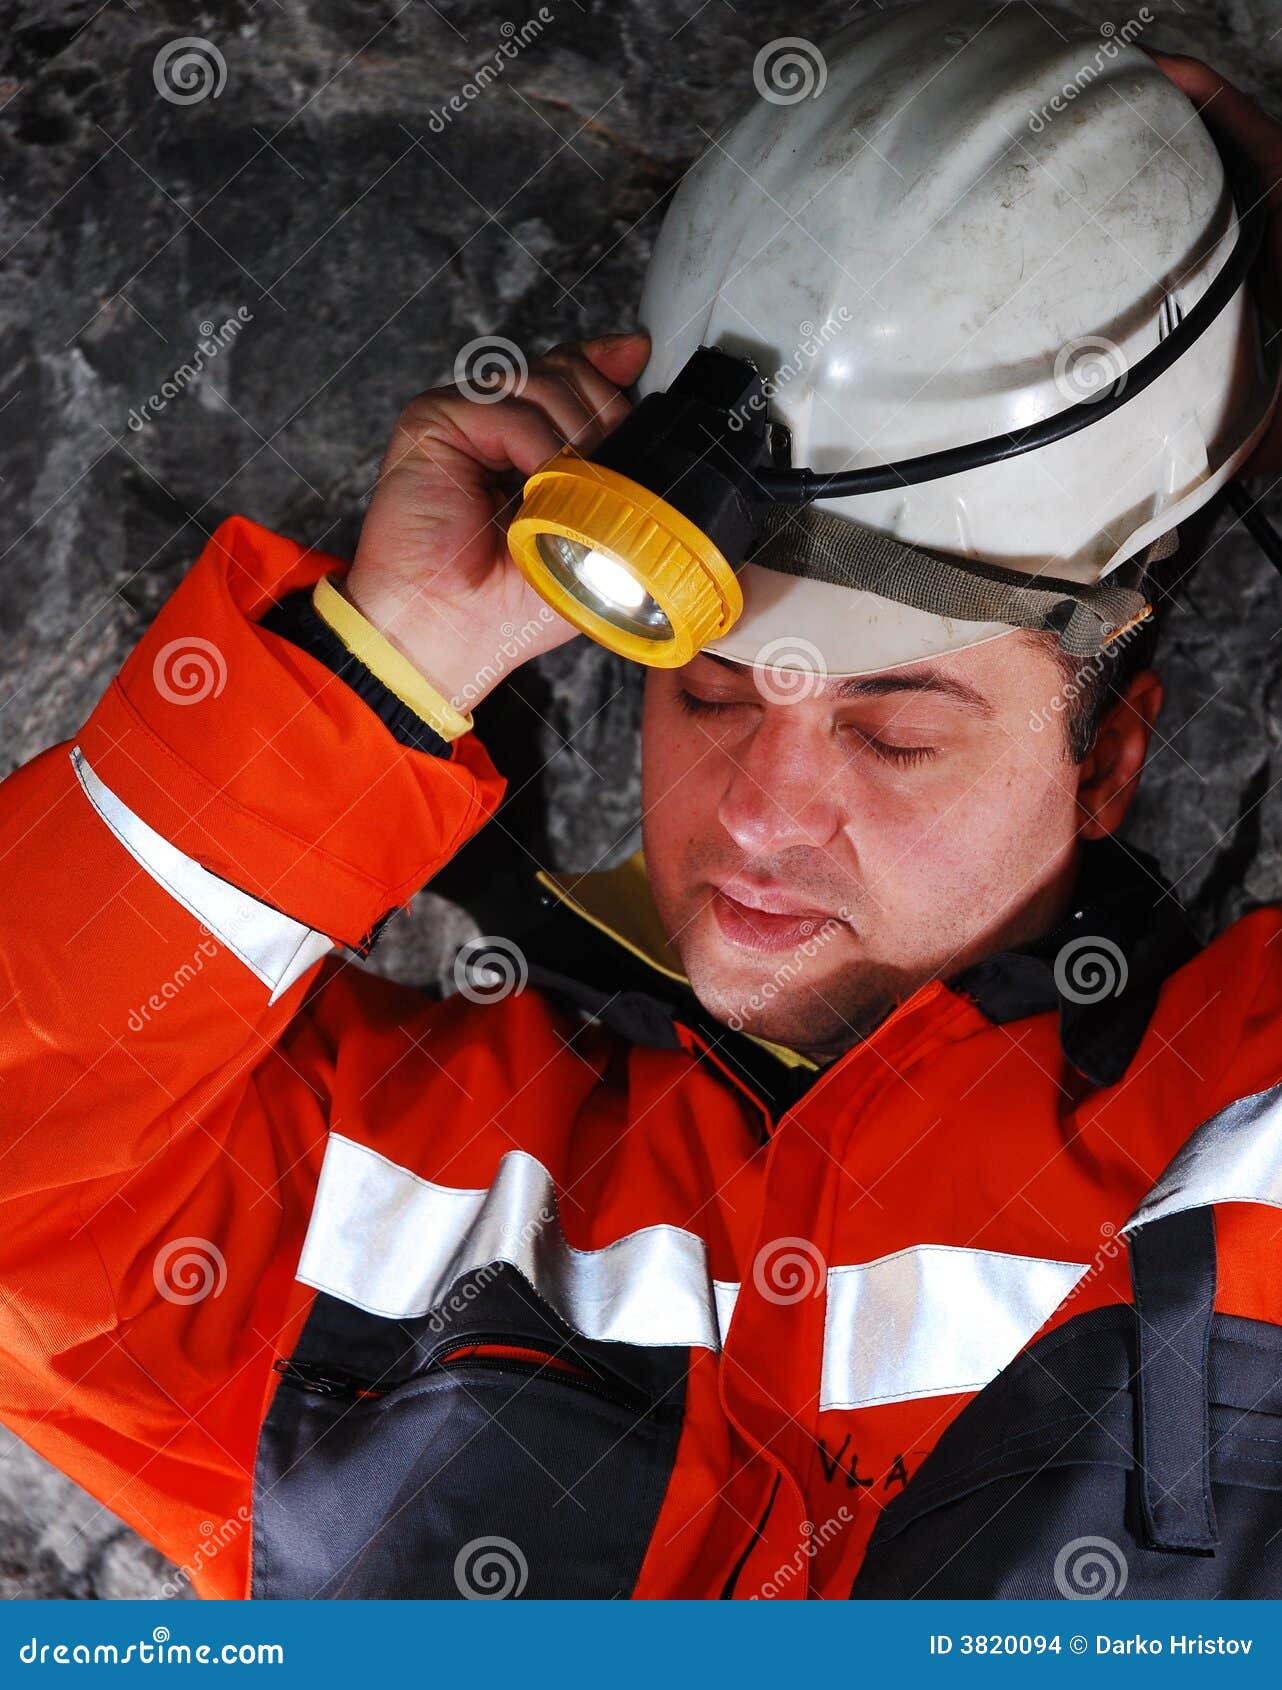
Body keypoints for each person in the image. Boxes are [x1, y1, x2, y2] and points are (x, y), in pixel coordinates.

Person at [3, 6, 1282, 1601]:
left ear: (1102, 757)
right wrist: (374, 670)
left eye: (893, 732)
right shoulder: (404, 1189)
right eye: (713, 690)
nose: (762, 805)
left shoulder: (1241, 1151)